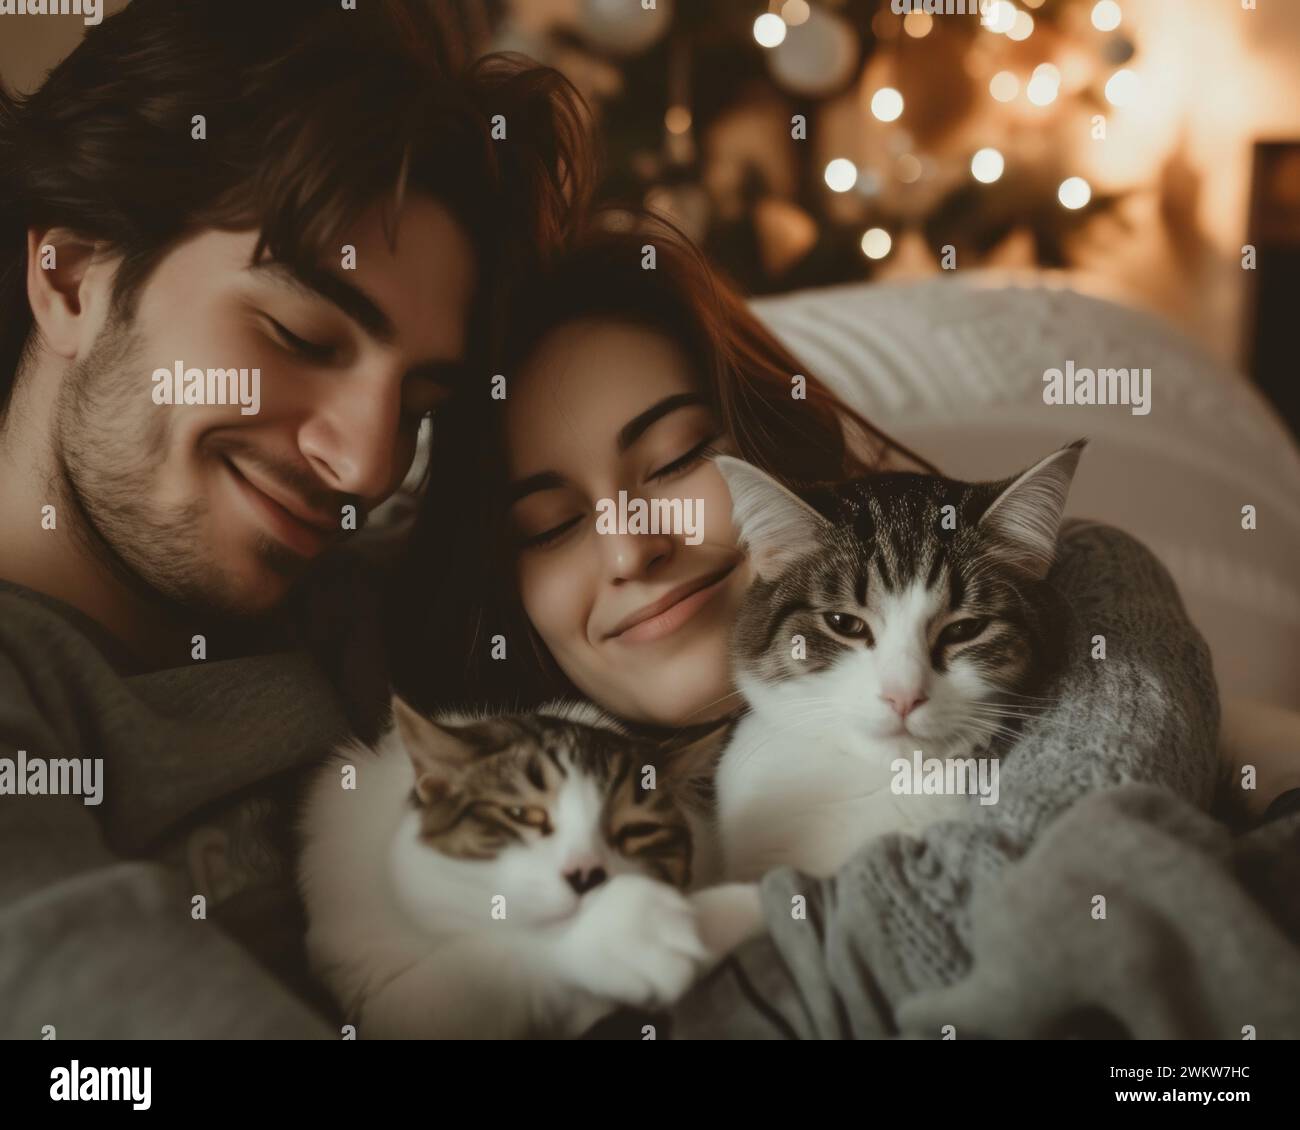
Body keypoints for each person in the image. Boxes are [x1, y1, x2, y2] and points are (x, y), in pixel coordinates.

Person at [394, 219, 1224, 1038]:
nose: (630, 549)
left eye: (677, 460)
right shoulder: (482, 845)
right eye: (547, 523)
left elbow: (1054, 880)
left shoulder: (1078, 592)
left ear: (762, 444)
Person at [0, 0, 594, 1037]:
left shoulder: (371, 604)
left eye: (417, 407)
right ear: (71, 276)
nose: (364, 462)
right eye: (295, 332)